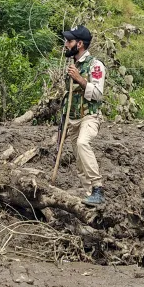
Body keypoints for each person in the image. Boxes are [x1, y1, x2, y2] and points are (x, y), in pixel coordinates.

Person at [62, 26, 106, 207]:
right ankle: (89, 196)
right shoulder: (73, 65)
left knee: (82, 143)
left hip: (90, 116)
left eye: (69, 41)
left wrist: (80, 79)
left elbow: (97, 94)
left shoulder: (95, 65)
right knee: (79, 161)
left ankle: (98, 189)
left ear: (79, 44)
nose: (66, 44)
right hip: (72, 119)